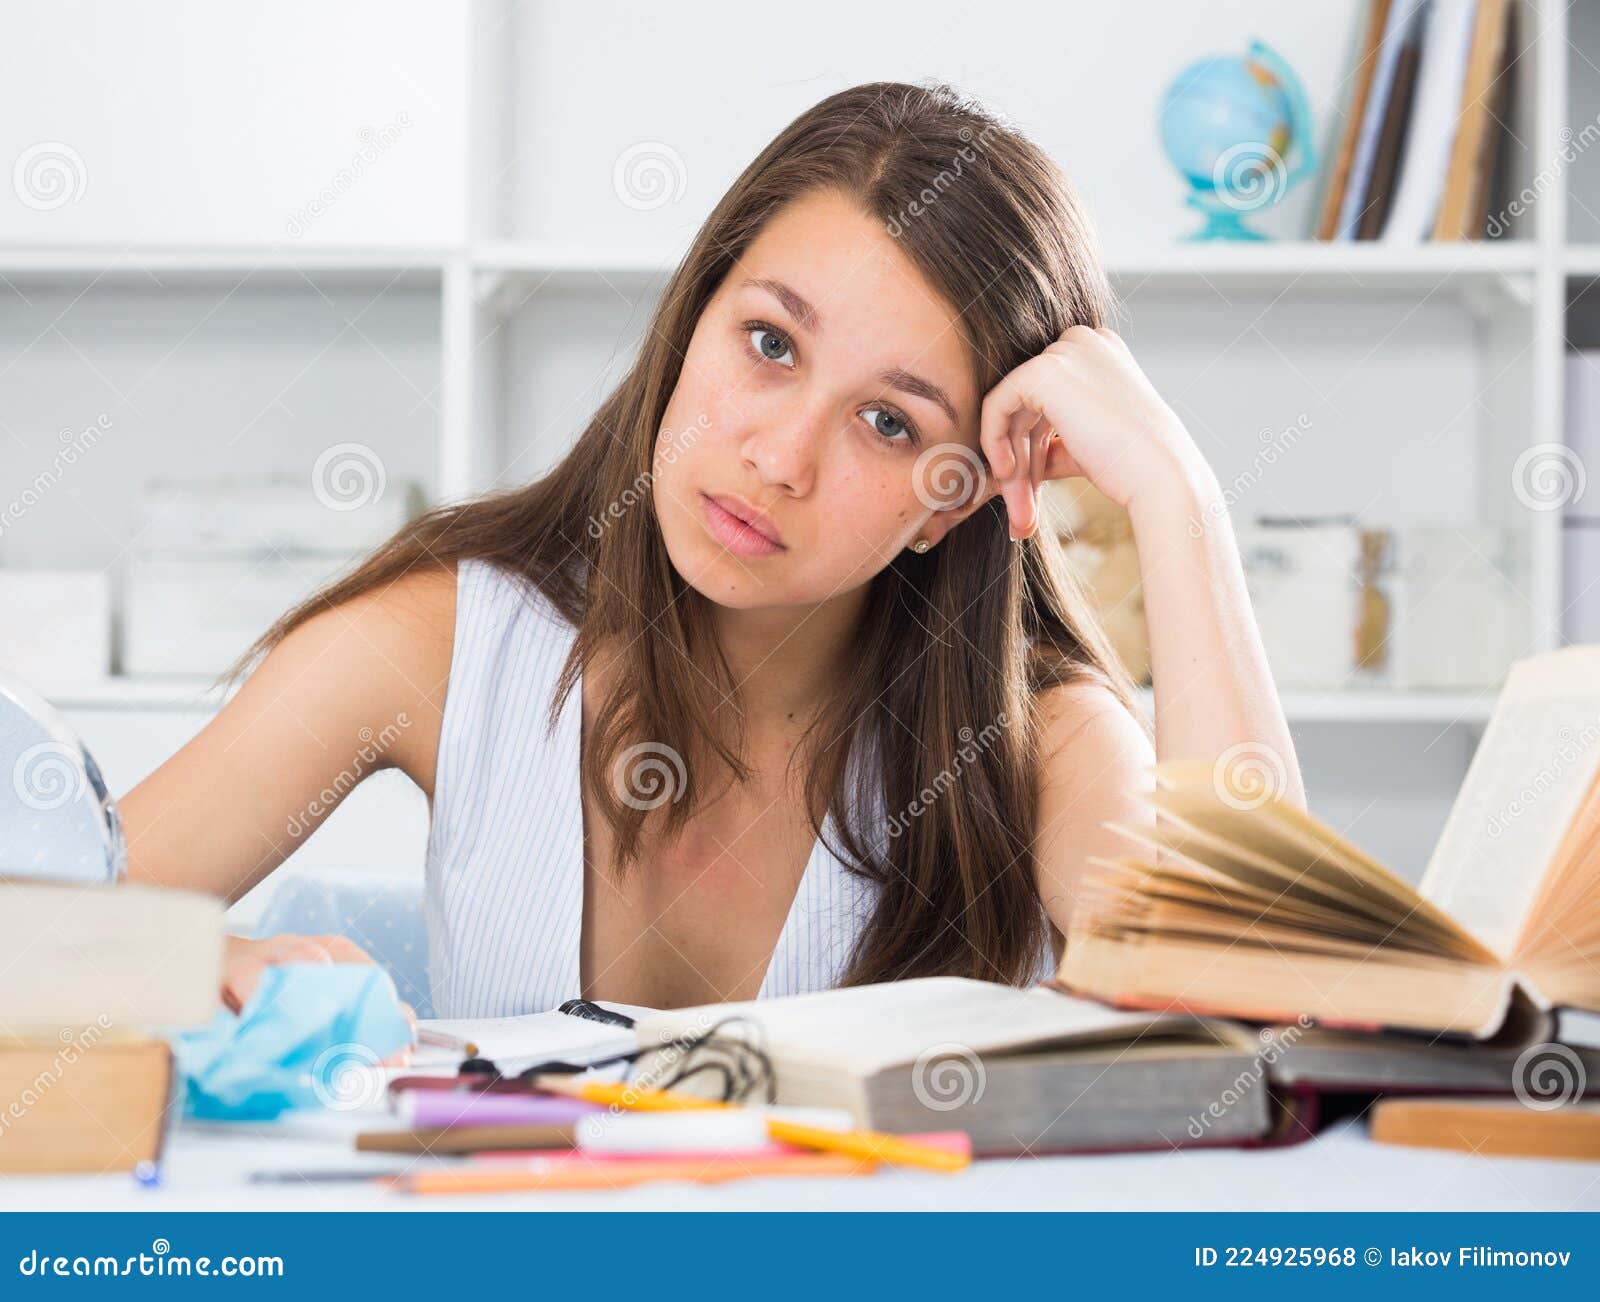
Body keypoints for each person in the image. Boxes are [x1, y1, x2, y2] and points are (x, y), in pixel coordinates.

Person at [122, 81, 1304, 1025]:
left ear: (952, 503)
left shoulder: (1036, 740)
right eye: (770, 343)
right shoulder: (437, 642)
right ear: (691, 318)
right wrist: (203, 965)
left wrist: (1179, 498)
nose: (781, 458)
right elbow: (42, 927)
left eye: (889, 422)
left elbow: (1260, 1016)